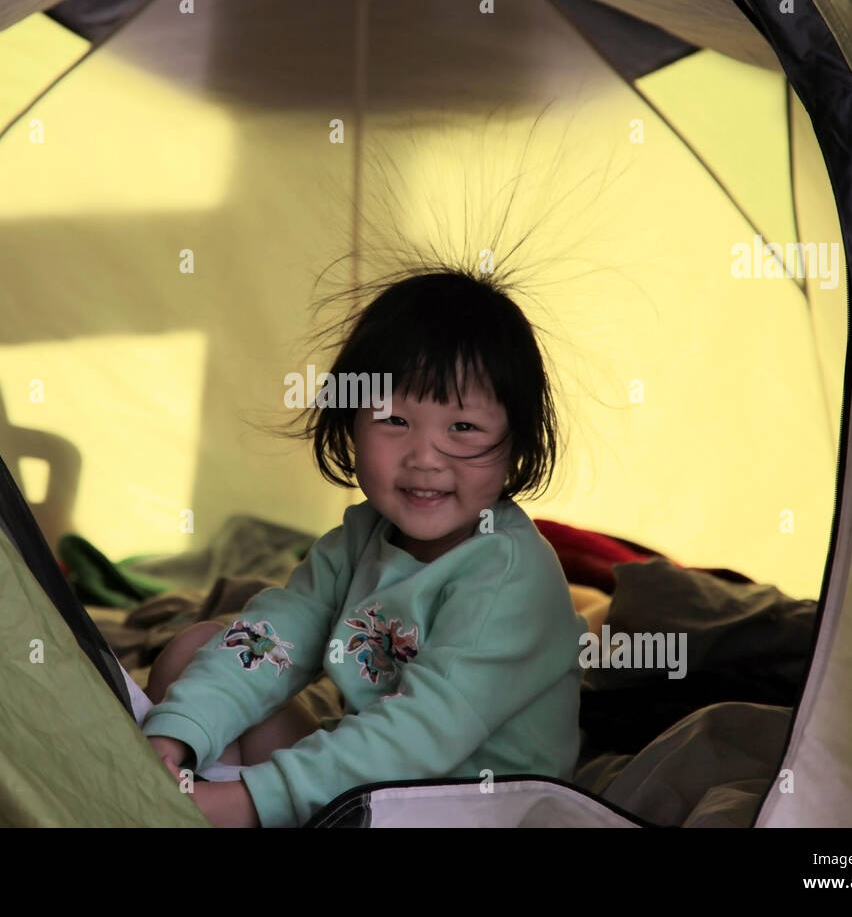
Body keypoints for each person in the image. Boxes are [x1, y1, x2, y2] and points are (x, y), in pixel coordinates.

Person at [142, 269, 588, 827]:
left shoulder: (510, 575)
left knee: (249, 789)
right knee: (196, 655)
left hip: (473, 814)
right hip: (376, 794)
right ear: (350, 423)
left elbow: (417, 739)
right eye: (395, 419)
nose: (425, 456)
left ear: (515, 446)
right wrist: (175, 736)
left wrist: (248, 802)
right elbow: (275, 638)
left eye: (464, 428)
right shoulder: (361, 538)